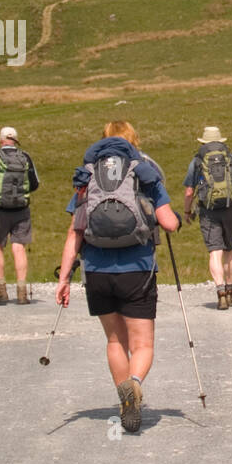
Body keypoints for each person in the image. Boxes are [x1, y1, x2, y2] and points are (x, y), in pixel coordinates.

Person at [56, 121, 179, 433]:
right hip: (137, 268)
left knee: (115, 340)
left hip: (96, 270)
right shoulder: (144, 169)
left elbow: (75, 231)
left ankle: (126, 399)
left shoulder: (89, 173)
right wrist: (173, 217)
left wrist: (64, 279)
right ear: (133, 140)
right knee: (143, 344)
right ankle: (134, 386)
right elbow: (168, 223)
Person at [182, 126, 232, 310]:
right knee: (229, 249)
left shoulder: (197, 161)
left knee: (215, 251)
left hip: (208, 210)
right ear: (221, 141)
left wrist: (187, 212)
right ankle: (230, 290)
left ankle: (220, 291)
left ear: (204, 142)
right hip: (230, 208)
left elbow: (189, 191)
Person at [0, 126, 40, 304]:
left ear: (1, 139)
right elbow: (35, 184)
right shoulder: (25, 157)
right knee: (18, 248)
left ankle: (1, 291)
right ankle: (22, 292)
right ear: (15, 141)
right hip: (22, 210)